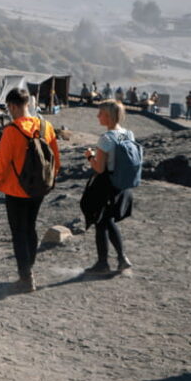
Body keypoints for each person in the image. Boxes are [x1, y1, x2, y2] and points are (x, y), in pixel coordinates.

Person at [0, 88, 60, 293]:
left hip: (16, 190)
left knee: (19, 232)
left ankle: (25, 278)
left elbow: (2, 163)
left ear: (13, 106)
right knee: (31, 228)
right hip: (38, 189)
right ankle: (29, 267)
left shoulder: (12, 131)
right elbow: (55, 158)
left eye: (9, 108)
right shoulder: (46, 126)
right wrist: (48, 181)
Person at [83, 100, 134, 275]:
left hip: (107, 185)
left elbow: (99, 168)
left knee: (100, 222)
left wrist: (90, 157)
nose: (98, 116)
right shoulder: (126, 134)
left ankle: (103, 263)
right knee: (108, 220)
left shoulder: (105, 139)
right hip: (122, 184)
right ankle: (121, 258)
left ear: (109, 116)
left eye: (101, 113)